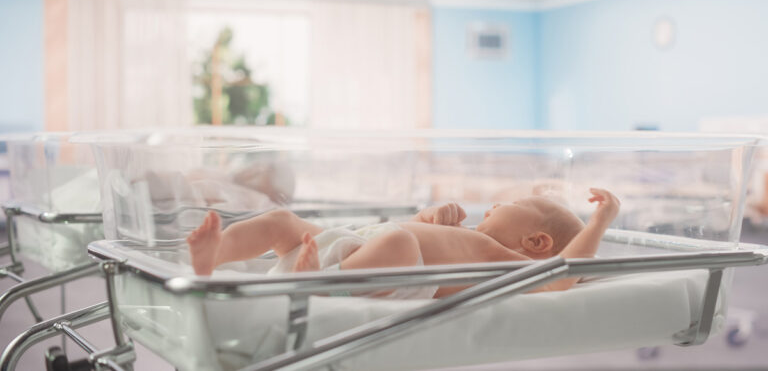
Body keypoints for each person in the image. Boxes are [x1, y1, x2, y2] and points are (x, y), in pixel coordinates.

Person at [187, 188, 619, 298]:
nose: (495, 205)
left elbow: (564, 275)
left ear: (537, 241)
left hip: (383, 270)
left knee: (398, 242)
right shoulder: (468, 236)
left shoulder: (505, 261)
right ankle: (216, 253)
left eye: (513, 203)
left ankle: (316, 283)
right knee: (282, 221)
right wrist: (426, 218)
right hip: (351, 246)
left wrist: (599, 220)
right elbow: (406, 230)